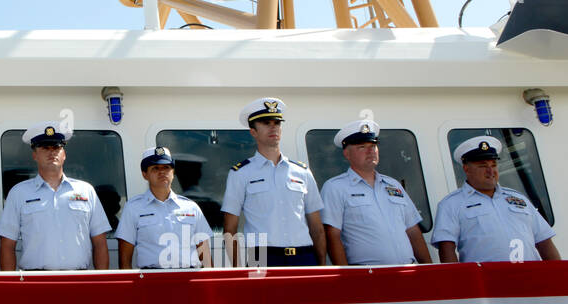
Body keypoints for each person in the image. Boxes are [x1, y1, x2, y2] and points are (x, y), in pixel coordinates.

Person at [221, 98, 325, 266]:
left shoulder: (302, 172)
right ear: (253, 132)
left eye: (277, 123)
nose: (273, 127)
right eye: (266, 123)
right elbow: (230, 228)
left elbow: (317, 227)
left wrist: (321, 267)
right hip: (260, 257)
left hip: (304, 256)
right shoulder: (240, 173)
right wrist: (237, 271)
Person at [0, 122, 110, 271]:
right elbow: (7, 245)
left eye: (56, 147)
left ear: (64, 154)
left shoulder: (86, 191)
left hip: (79, 281)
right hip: (35, 283)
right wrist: (10, 288)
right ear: (34, 155)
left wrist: (102, 285)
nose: (52, 152)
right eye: (45, 148)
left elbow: (100, 243)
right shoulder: (19, 193)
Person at [432, 136, 560, 263]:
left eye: (493, 165)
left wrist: (560, 277)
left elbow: (544, 242)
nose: (490, 171)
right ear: (466, 169)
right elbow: (446, 249)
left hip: (530, 277)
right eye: (482, 166)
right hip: (485, 280)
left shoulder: (519, 199)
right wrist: (458, 282)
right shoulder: (451, 204)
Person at [320, 119, 430, 266]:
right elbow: (333, 235)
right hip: (366, 275)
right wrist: (346, 276)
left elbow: (413, 231)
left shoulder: (393, 185)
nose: (370, 151)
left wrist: (429, 268)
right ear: (347, 154)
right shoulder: (335, 187)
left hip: (407, 271)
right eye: (362, 147)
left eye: (373, 146)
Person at [116, 147, 211, 269]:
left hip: (189, 278)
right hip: (151, 281)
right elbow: (124, 260)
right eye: (155, 168)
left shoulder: (191, 207)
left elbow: (205, 256)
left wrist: (209, 286)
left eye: (166, 167)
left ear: (173, 172)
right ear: (145, 174)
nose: (162, 172)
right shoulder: (133, 208)